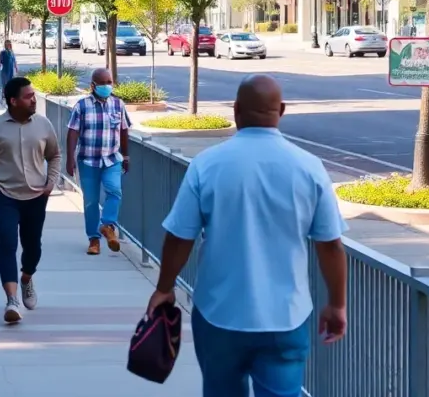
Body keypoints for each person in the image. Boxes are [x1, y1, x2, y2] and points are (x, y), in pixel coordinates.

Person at [146, 75, 348, 397]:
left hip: (218, 314)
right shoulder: (310, 168)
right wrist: (336, 305)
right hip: (286, 316)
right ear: (280, 110)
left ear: (236, 110)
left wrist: (165, 288)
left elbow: (179, 236)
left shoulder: (207, 165)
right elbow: (331, 245)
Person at [0, 77, 61, 324]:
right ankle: (12, 301)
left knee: (33, 248)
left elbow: (54, 155)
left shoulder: (44, 125)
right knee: (7, 244)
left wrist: (50, 183)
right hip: (4, 196)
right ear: (13, 101)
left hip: (36, 196)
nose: (34, 99)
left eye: (34, 95)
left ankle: (26, 278)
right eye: (28, 96)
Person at [65, 68, 130, 256]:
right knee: (91, 201)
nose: (107, 86)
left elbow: (124, 130)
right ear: (93, 85)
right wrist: (70, 158)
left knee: (115, 191)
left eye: (110, 82)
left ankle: (107, 225)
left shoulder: (118, 104)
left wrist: (126, 156)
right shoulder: (82, 106)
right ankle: (94, 240)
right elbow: (72, 132)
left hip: (111, 159)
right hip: (88, 161)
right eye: (103, 83)